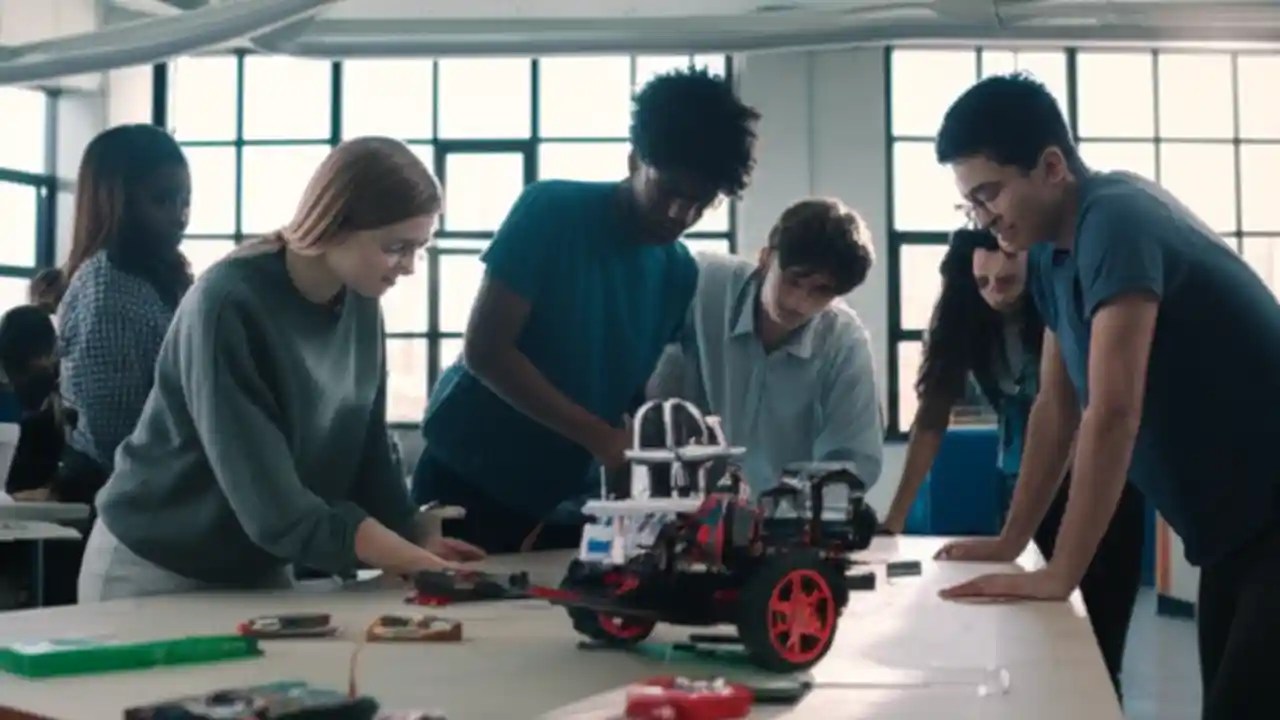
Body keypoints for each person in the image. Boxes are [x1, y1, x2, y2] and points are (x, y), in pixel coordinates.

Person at [930, 72, 1280, 720]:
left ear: (1052, 165)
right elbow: (1057, 408)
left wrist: (1061, 574)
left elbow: (1114, 411)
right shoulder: (1045, 255)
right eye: (971, 203)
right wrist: (1013, 540)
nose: (984, 217)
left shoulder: (1116, 220)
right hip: (1233, 535)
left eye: (990, 193)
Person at [77, 137, 484, 603]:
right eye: (395, 247)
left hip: (258, 565)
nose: (408, 267)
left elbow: (369, 444)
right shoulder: (227, 303)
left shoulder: (362, 301)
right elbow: (276, 510)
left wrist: (412, 531)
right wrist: (413, 561)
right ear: (335, 225)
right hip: (155, 570)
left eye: (418, 248)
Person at [412, 67, 761, 554]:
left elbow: (629, 385)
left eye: (699, 203)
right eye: (669, 192)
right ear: (635, 159)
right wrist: (601, 439)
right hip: (467, 469)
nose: (679, 215)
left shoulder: (678, 270)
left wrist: (637, 465)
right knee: (449, 615)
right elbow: (486, 351)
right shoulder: (551, 211)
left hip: (558, 491)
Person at [879, 228, 1143, 698]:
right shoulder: (969, 322)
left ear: (1031, 266)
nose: (995, 294)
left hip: (1100, 490)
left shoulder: (1063, 307)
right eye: (983, 284)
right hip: (1026, 491)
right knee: (1034, 637)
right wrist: (895, 516)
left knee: (1096, 649)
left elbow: (1078, 412)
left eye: (1006, 281)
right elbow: (932, 419)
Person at [646, 197, 883, 496]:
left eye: (822, 292)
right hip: (682, 504)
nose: (800, 302)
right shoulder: (700, 283)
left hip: (785, 518)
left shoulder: (845, 343)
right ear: (766, 258)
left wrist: (801, 503)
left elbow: (855, 461)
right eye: (794, 281)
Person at [53, 124, 195, 494]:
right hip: (119, 495)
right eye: (162, 201)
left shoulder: (156, 275)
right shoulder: (109, 290)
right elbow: (111, 431)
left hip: (148, 485)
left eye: (185, 201)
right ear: (117, 202)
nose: (179, 215)